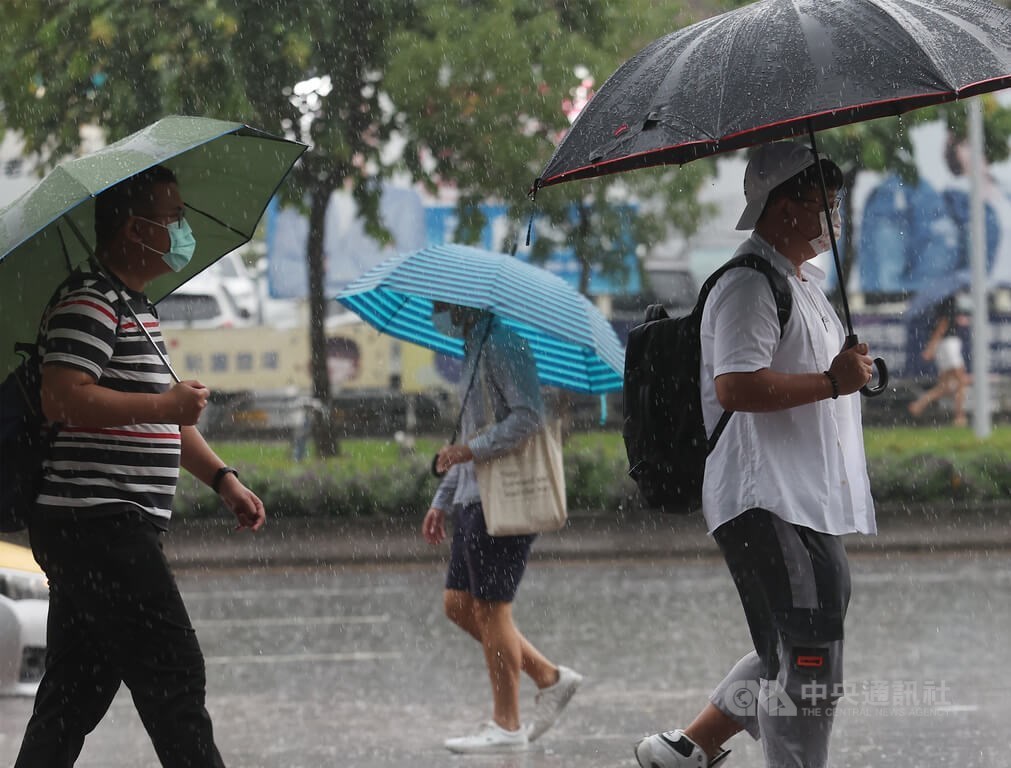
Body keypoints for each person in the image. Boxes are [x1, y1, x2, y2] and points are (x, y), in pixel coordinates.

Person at [634, 142, 876, 768]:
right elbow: (736, 386)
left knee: (795, 644)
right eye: (824, 203)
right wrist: (832, 381)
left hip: (803, 496)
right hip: (765, 497)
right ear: (785, 207)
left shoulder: (802, 282)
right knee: (808, 659)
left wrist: (851, 372)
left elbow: (814, 372)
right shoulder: (748, 283)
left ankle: (690, 747)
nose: (833, 217)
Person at [15, 165, 266, 767]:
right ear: (135, 229)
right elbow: (62, 397)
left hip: (99, 526)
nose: (182, 229)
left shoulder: (132, 304)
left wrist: (223, 479)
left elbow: (164, 419)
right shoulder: (90, 301)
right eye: (173, 217)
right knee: (173, 672)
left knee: (75, 690)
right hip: (99, 522)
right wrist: (165, 405)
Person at [421, 301, 582, 753]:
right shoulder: (475, 349)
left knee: (492, 611)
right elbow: (471, 434)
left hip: (502, 500)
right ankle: (549, 677)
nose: (436, 311)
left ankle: (507, 724)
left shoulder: (503, 344)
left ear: (464, 303)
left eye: (441, 303)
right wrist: (442, 499)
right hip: (472, 499)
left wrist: (470, 451)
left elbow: (527, 417)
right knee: (458, 604)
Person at [908, 294, 971, 426]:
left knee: (946, 385)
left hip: (943, 345)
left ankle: (920, 404)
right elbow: (943, 324)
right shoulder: (947, 299)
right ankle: (959, 416)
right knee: (961, 381)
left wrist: (933, 346)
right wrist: (931, 346)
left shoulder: (938, 300)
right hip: (949, 344)